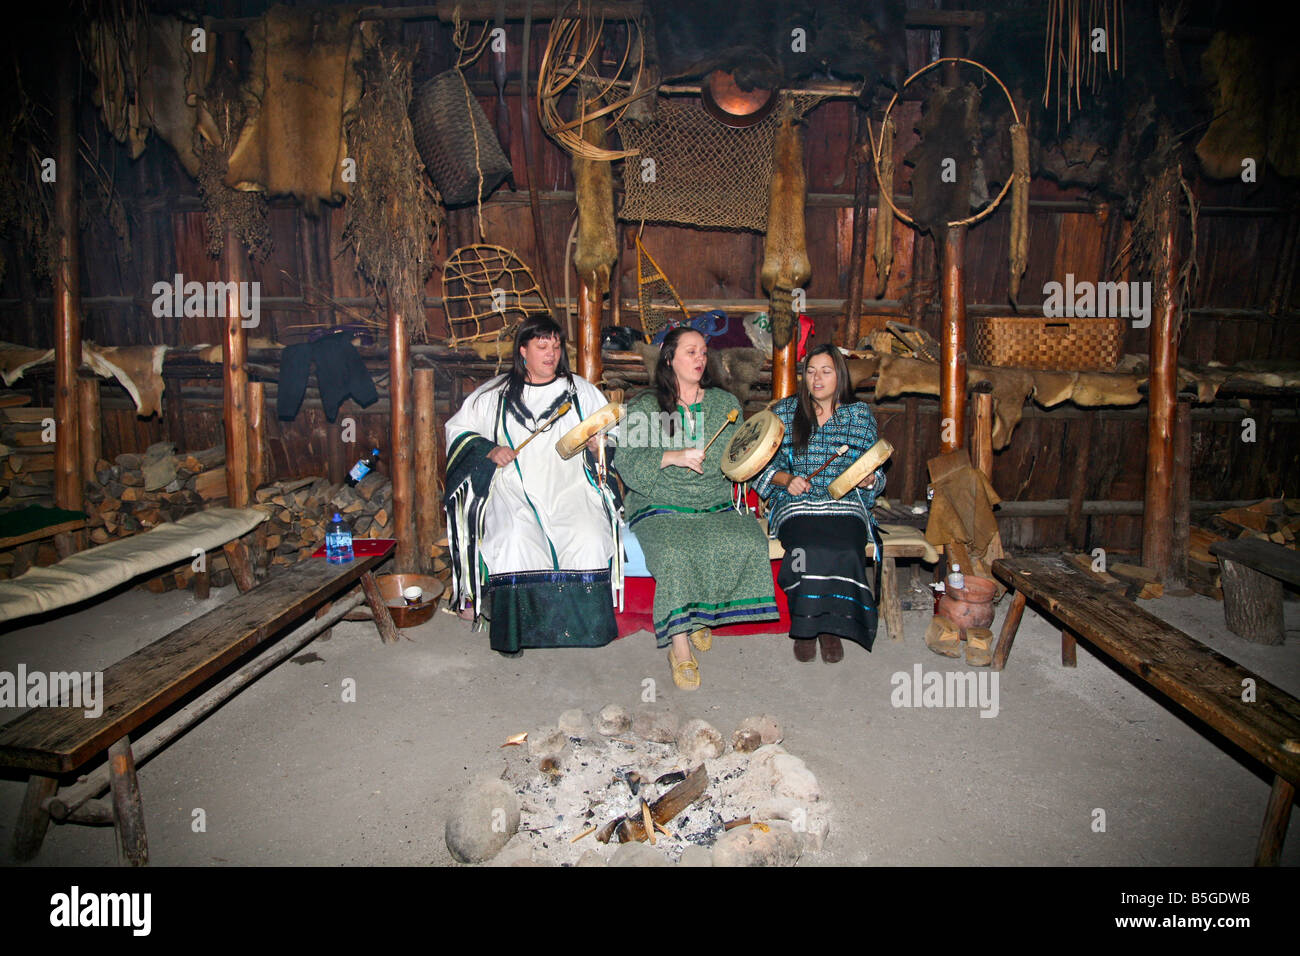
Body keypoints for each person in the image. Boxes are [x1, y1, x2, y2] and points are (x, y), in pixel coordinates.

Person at [613, 327, 779, 690]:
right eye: (691, 352)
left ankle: (700, 611)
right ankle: (680, 647)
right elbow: (626, 461)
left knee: (745, 539)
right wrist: (673, 456)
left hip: (712, 498)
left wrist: (753, 459)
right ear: (668, 358)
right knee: (674, 553)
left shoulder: (725, 405)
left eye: (703, 352)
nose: (700, 359)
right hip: (660, 500)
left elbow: (739, 456)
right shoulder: (648, 406)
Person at [443, 315, 618, 655]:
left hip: (570, 487)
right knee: (513, 540)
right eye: (541, 346)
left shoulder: (581, 392)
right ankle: (517, 634)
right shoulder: (492, 395)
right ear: (523, 350)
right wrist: (489, 450)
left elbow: (611, 436)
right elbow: (457, 432)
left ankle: (584, 631)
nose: (551, 354)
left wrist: (601, 446)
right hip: (513, 490)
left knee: (588, 536)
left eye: (555, 346)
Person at [753, 343, 886, 663]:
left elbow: (877, 472)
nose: (817, 378)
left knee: (842, 547)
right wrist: (787, 480)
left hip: (845, 506)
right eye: (811, 371)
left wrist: (869, 479)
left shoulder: (859, 417)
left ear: (839, 376)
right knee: (806, 549)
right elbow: (759, 467)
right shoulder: (783, 413)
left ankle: (829, 627)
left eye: (826, 371)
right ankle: (805, 626)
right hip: (796, 504)